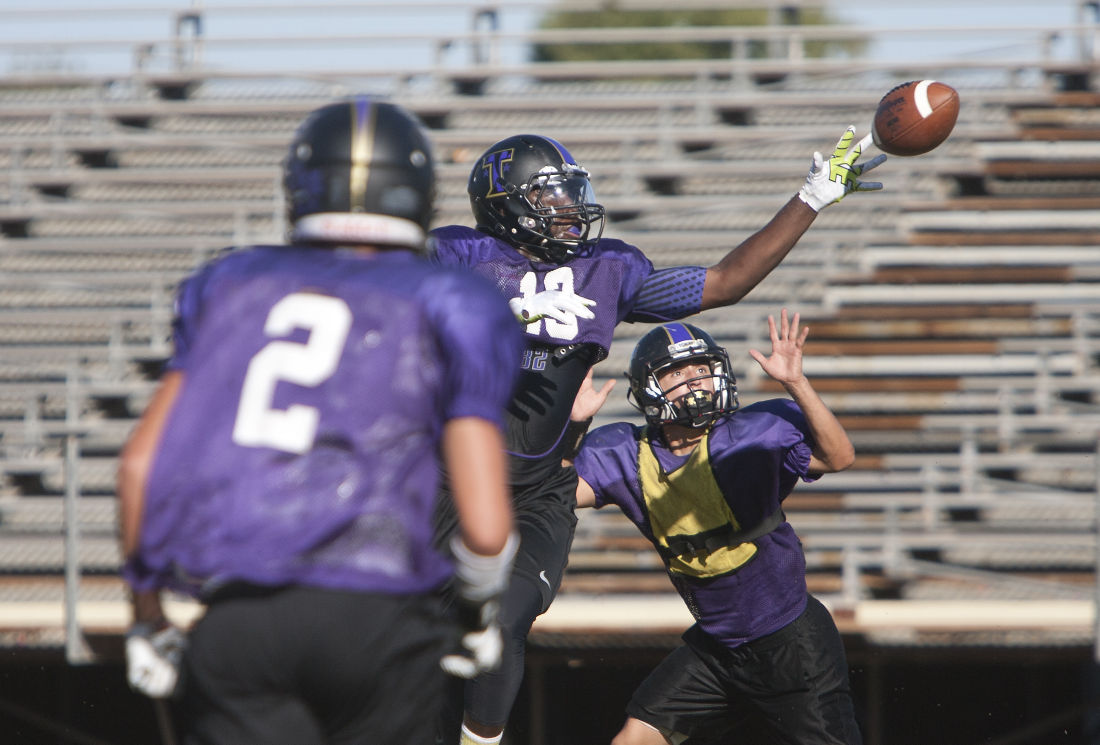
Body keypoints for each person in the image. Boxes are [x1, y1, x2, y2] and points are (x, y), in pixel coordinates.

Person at [430, 128, 884, 744]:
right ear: (506, 202)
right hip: (440, 477)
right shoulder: (457, 256)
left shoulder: (606, 272)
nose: (569, 209)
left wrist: (811, 196)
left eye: (571, 194)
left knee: (504, 617)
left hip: (535, 491)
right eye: (551, 197)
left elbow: (725, 282)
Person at [116, 96, 524, 745]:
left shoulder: (231, 282)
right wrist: (477, 612)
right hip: (380, 621)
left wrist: (147, 614)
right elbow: (484, 525)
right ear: (418, 192)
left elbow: (141, 467)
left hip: (241, 618)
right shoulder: (454, 299)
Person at [570, 312, 861, 745]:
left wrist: (796, 384)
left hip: (790, 642)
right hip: (717, 646)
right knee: (633, 739)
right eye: (678, 372)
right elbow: (555, 492)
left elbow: (839, 458)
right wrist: (573, 425)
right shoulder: (623, 451)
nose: (695, 381)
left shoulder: (752, 433)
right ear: (649, 387)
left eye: (702, 370)